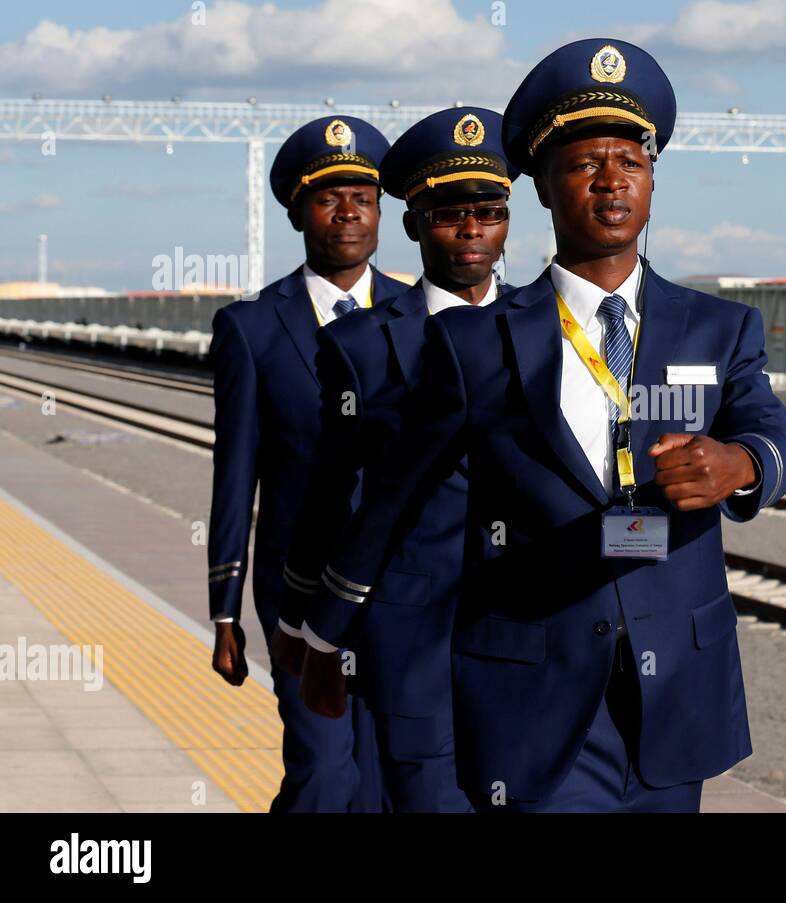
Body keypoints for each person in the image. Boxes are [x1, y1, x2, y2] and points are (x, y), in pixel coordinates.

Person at [307, 38, 786, 812]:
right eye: (583, 164)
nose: (612, 181)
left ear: (651, 179)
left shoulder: (721, 328)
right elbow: (394, 496)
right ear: (539, 187)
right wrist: (322, 633)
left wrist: (738, 464)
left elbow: (774, 431)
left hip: (675, 699)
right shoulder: (475, 343)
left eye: (630, 162)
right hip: (534, 704)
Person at [273, 107, 516, 812]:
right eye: (447, 213)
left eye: (489, 211)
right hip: (413, 642)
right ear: (412, 224)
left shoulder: (551, 332)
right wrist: (304, 627)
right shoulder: (359, 345)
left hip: (536, 634)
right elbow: (327, 495)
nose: (471, 230)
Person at [206, 115, 402, 812]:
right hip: (299, 591)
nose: (348, 213)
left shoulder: (422, 316)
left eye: (364, 197)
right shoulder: (251, 327)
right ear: (297, 213)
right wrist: (223, 609)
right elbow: (234, 473)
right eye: (328, 198)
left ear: (382, 212)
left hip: (402, 588)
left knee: (383, 778)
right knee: (324, 772)